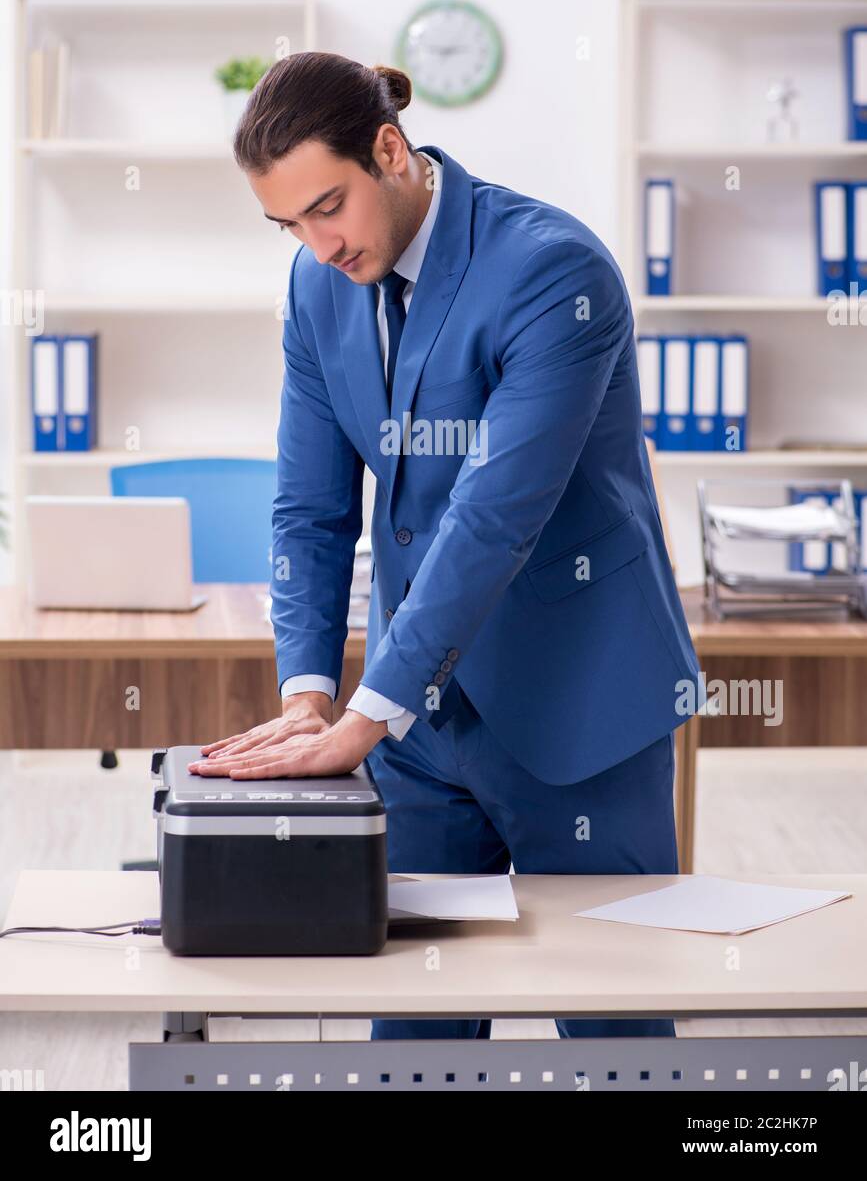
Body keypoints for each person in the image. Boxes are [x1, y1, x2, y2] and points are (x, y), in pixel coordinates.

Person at [189, 51, 702, 1040]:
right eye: (288, 223)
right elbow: (308, 507)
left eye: (328, 206)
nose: (315, 241)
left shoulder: (554, 271)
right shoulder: (318, 286)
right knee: (414, 1039)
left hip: (579, 707)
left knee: (617, 1035)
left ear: (390, 149)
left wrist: (367, 711)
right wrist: (307, 695)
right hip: (421, 731)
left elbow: (492, 513)